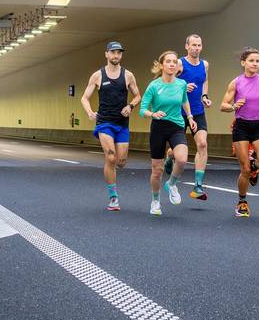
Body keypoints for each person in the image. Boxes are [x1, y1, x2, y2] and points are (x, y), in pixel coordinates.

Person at [80, 41, 141, 211]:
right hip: (104, 122)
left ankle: (113, 172)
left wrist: (130, 106)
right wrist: (90, 112)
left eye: (119, 53)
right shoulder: (97, 76)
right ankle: (113, 196)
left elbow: (137, 96)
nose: (116, 56)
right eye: (113, 52)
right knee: (111, 156)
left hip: (122, 123)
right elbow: (84, 97)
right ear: (106, 54)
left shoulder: (128, 75)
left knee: (121, 162)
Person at [220, 47, 259, 218]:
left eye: (257, 61)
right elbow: (223, 105)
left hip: (258, 127)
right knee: (244, 169)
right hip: (241, 127)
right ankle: (242, 202)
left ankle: (255, 166)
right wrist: (232, 107)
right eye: (251, 60)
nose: (255, 64)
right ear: (243, 63)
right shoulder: (236, 82)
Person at [139, 50, 197, 216]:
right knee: (157, 170)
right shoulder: (154, 86)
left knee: (183, 159)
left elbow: (184, 100)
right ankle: (155, 201)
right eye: (168, 61)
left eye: (174, 62)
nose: (172, 64)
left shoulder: (181, 84)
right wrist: (153, 114)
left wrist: (190, 117)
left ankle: (172, 184)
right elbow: (142, 110)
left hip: (176, 126)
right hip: (158, 128)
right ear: (162, 65)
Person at [164, 34, 212, 200]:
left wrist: (205, 96)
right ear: (186, 46)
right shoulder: (179, 64)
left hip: (197, 111)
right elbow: (168, 82)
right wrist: (183, 87)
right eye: (193, 45)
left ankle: (198, 186)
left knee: (203, 144)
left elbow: (204, 81)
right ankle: (169, 156)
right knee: (176, 151)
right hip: (179, 112)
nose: (196, 48)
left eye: (199, 45)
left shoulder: (204, 64)